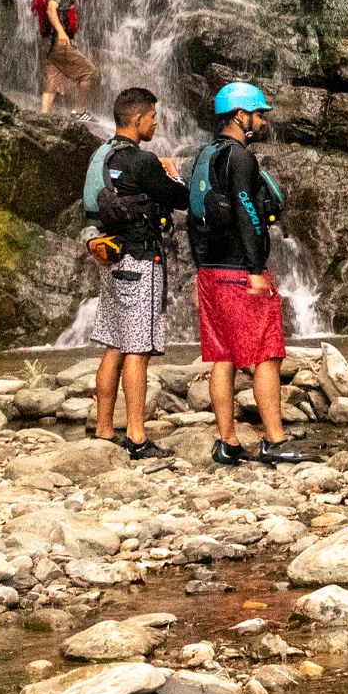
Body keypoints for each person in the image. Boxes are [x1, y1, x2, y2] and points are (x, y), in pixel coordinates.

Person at [188, 80, 308, 464]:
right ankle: (274, 440)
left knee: (223, 356)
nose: (264, 122)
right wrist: (256, 268)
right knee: (267, 355)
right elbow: (247, 212)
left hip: (210, 271)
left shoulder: (206, 154)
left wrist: (201, 268)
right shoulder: (240, 157)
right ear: (240, 115)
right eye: (259, 114)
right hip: (240, 271)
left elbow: (194, 216)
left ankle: (228, 442)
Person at [84, 86, 189, 459]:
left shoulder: (101, 156)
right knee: (137, 349)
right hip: (142, 262)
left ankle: (103, 429)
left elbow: (89, 209)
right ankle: (137, 436)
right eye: (154, 117)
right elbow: (182, 199)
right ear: (139, 118)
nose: (156, 124)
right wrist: (173, 173)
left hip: (111, 260)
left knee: (114, 344)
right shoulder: (143, 162)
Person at [35, 0, 97, 116]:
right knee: (89, 72)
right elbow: (51, 9)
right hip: (58, 43)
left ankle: (43, 117)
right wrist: (62, 32)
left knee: (52, 82)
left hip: (48, 44)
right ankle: (79, 112)